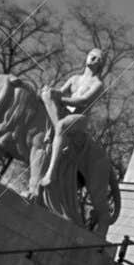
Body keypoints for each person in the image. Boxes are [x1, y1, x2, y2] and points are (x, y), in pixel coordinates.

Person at [42, 48, 106, 188]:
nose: (93, 59)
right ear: (87, 57)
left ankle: (51, 172)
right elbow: (61, 92)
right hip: (65, 113)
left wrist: (61, 99)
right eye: (92, 56)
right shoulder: (74, 78)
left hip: (80, 117)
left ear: (101, 64)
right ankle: (56, 133)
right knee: (46, 95)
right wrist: (51, 91)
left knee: (61, 126)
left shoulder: (98, 84)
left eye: (98, 59)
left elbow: (83, 101)